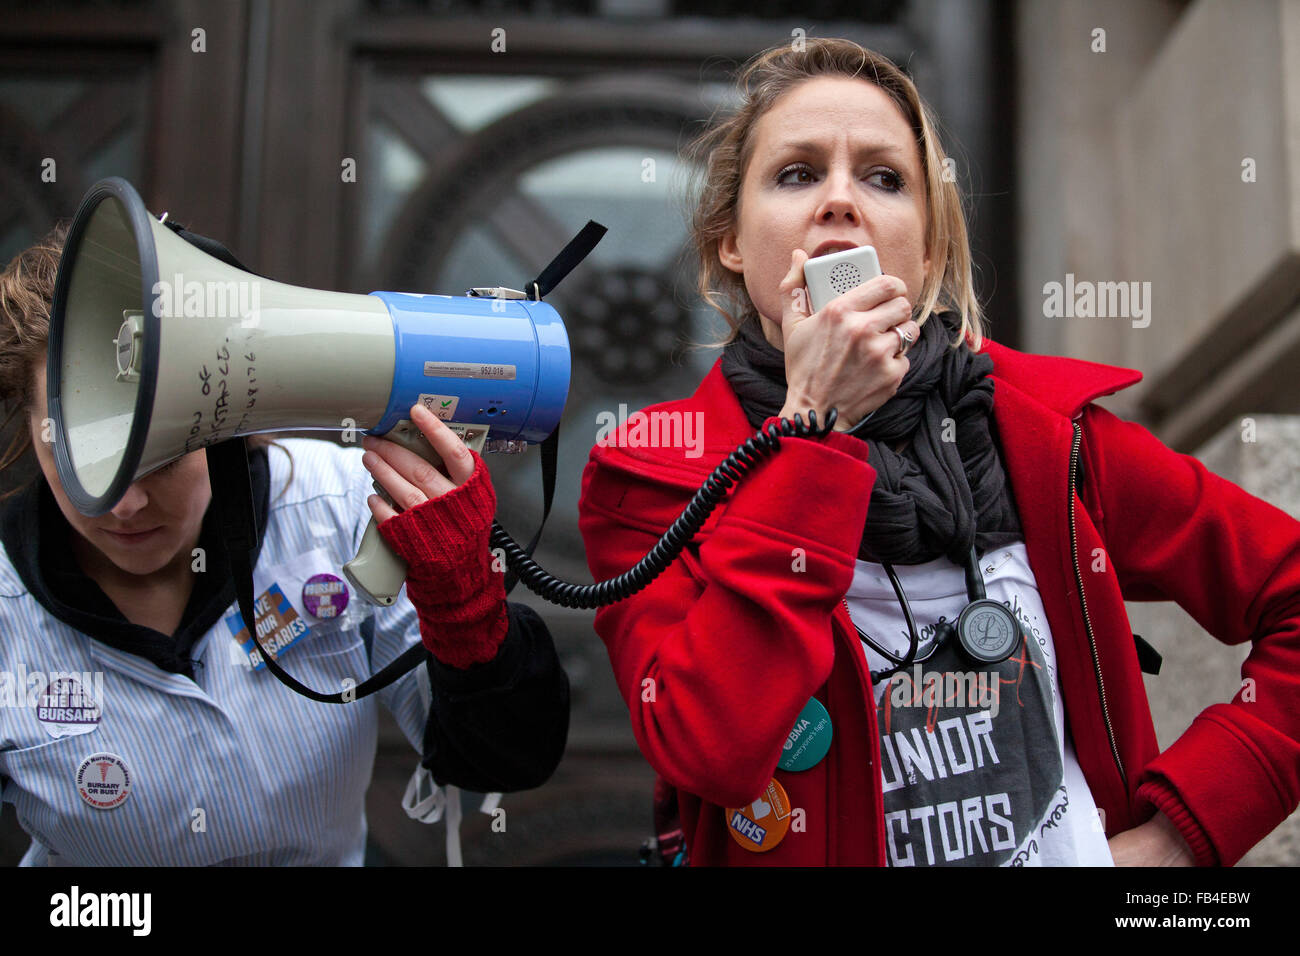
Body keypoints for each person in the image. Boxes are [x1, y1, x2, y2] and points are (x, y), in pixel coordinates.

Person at [578, 38, 1300, 866]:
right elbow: (711, 748)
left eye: (884, 178)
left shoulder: (1046, 437)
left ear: (926, 253)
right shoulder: (650, 477)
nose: (840, 201)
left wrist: (1180, 837)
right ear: (730, 244)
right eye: (797, 174)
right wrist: (815, 429)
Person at [0, 225, 569, 865]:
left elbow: (502, 758)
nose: (125, 504)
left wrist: (466, 610)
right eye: (76, 454)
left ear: (224, 423)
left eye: (160, 456)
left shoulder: (336, 506)